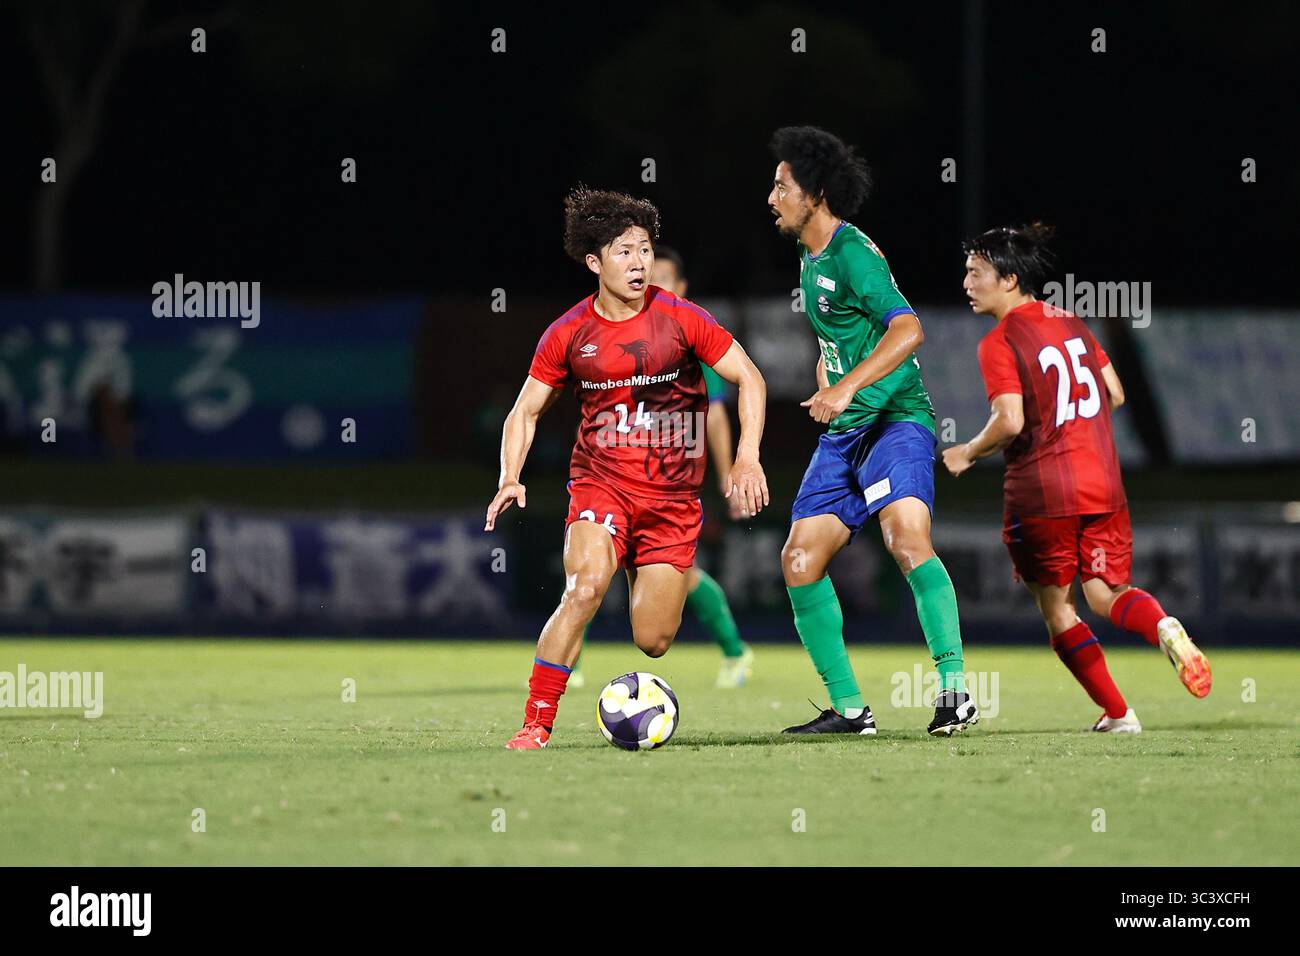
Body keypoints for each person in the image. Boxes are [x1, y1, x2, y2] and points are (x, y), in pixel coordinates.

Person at [485, 186, 769, 749]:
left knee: (654, 640)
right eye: (624, 251)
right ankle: (536, 722)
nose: (639, 261)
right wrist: (510, 476)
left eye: (644, 248)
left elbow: (750, 378)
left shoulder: (682, 318)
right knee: (585, 589)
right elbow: (524, 411)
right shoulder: (568, 334)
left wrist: (747, 456)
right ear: (594, 262)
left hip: (671, 501)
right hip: (602, 484)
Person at [942, 223, 1211, 733]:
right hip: (1103, 482)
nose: (966, 283)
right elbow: (1114, 393)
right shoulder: (1072, 322)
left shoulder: (999, 342)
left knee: (1060, 610)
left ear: (1009, 278)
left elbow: (1011, 421)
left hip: (1043, 492)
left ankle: (1119, 714)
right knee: (1108, 594)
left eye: (976, 273)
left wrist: (969, 452)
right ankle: (1163, 625)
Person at [766, 126, 976, 737]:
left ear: (816, 193)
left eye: (782, 186)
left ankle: (956, 693)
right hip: (846, 433)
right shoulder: (809, 255)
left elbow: (908, 330)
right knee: (800, 560)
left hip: (895, 421)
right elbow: (839, 337)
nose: (771, 195)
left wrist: (846, 387)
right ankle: (851, 711)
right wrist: (828, 377)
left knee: (907, 541)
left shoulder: (853, 252)